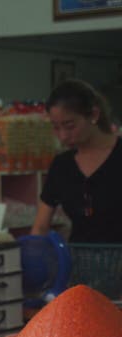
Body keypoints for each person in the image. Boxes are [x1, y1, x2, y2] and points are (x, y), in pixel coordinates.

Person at [32, 79, 121, 243]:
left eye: (70, 126)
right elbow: (40, 227)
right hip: (79, 262)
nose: (63, 136)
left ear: (94, 115)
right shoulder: (62, 165)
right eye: (56, 127)